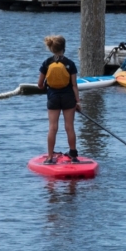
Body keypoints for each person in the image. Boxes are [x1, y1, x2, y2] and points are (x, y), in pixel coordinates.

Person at [38, 35, 80, 164]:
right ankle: (73, 156)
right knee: (69, 127)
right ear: (64, 48)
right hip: (68, 97)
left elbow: (40, 84)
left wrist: (48, 87)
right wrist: (77, 102)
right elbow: (74, 85)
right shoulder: (70, 63)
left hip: (53, 97)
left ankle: (50, 157)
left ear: (52, 49)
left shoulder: (47, 63)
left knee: (52, 127)